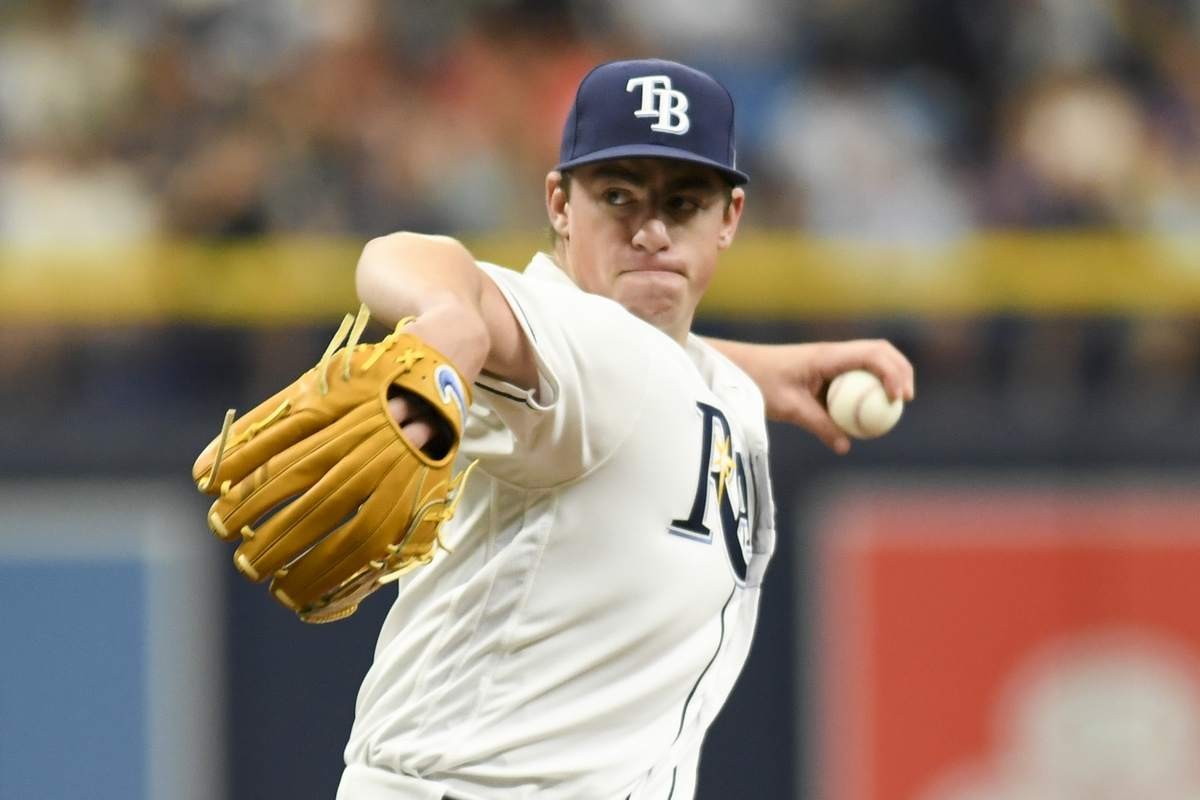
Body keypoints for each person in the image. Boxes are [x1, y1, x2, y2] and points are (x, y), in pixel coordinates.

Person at [338, 58, 914, 799]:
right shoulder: (569, 339)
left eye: (683, 202)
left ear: (729, 218)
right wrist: (450, 314)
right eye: (617, 196)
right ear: (559, 204)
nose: (650, 229)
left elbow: (650, 379)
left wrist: (764, 374)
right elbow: (410, 257)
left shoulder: (685, 375)